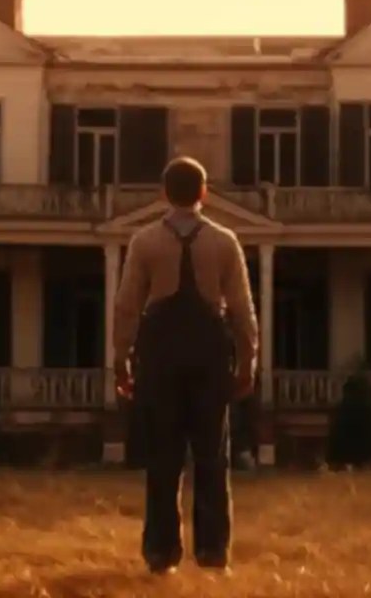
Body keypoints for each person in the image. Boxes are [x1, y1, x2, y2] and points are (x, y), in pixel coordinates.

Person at [112, 156, 259, 576]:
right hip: (209, 353)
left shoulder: (144, 242)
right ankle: (212, 552)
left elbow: (126, 307)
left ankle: (161, 553)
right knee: (212, 456)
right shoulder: (225, 241)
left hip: (160, 354)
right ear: (204, 193)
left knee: (163, 457)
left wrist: (120, 360)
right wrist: (248, 360)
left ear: (163, 193)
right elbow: (243, 310)